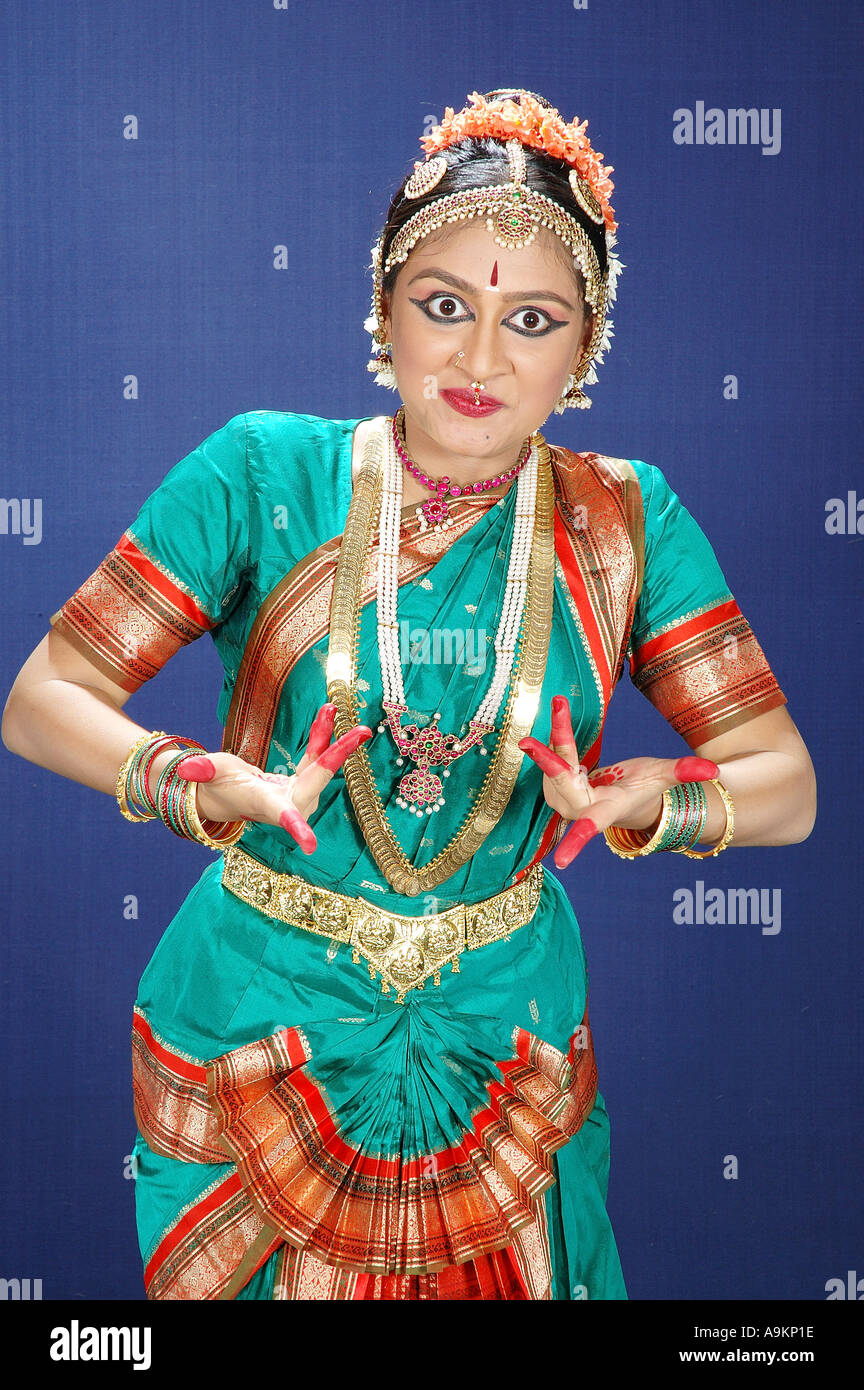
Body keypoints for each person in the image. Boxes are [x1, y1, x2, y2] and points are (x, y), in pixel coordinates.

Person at [1, 88, 816, 1301]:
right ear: (386, 310)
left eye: (532, 320)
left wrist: (662, 797)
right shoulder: (264, 471)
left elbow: (787, 787)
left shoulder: (623, 523)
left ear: (583, 346)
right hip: (261, 1019)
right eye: (446, 306)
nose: (481, 359)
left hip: (508, 1037)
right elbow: (41, 696)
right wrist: (187, 779)